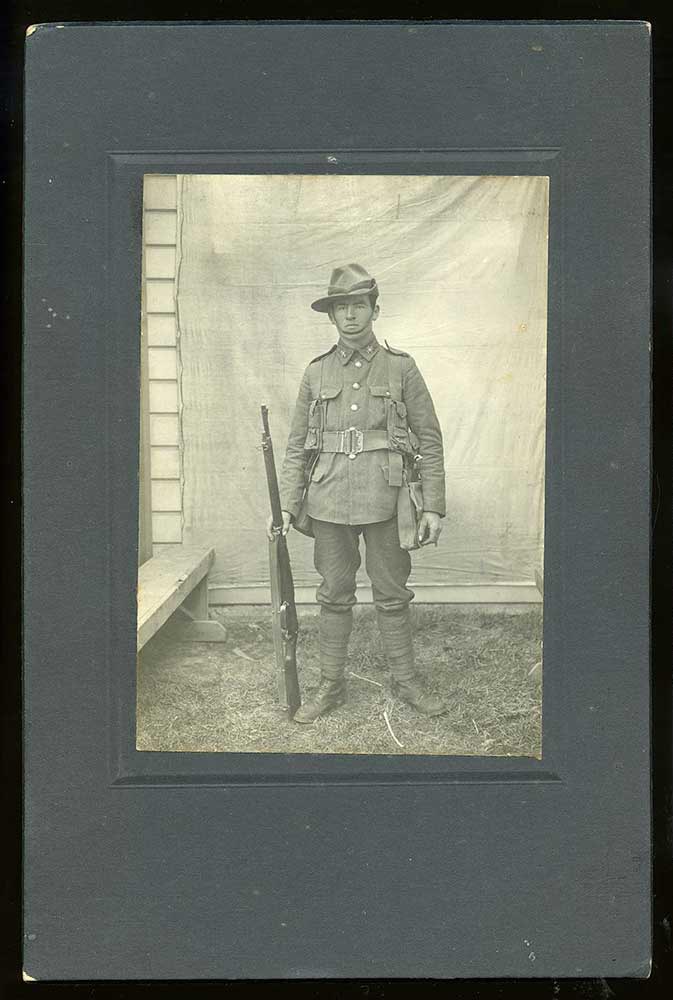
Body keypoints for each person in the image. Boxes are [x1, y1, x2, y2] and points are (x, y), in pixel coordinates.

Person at [266, 263, 446, 724]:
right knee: (333, 594)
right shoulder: (316, 372)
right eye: (341, 307)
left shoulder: (401, 367)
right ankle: (331, 684)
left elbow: (429, 439)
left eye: (359, 306)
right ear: (331, 316)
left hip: (388, 499)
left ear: (375, 310)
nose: (350, 315)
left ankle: (405, 680)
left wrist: (433, 506)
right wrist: (286, 506)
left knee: (392, 594)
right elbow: (296, 446)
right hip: (327, 499)